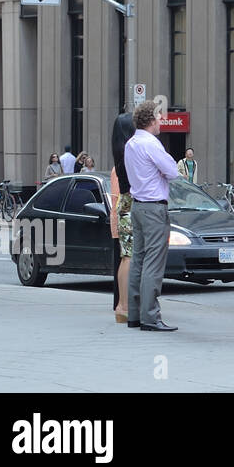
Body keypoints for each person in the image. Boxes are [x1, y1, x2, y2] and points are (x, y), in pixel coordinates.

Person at [125, 100, 182, 332]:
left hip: (138, 207)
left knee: (138, 259)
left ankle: (135, 315)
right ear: (150, 120)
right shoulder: (151, 143)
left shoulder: (131, 143)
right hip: (154, 208)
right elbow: (173, 171)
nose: (162, 121)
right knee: (153, 264)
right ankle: (151, 317)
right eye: (159, 117)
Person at [109, 111, 135, 324]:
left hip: (122, 213)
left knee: (125, 258)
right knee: (127, 258)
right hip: (127, 213)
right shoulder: (129, 160)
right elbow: (120, 197)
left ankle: (123, 306)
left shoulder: (119, 160)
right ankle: (123, 306)